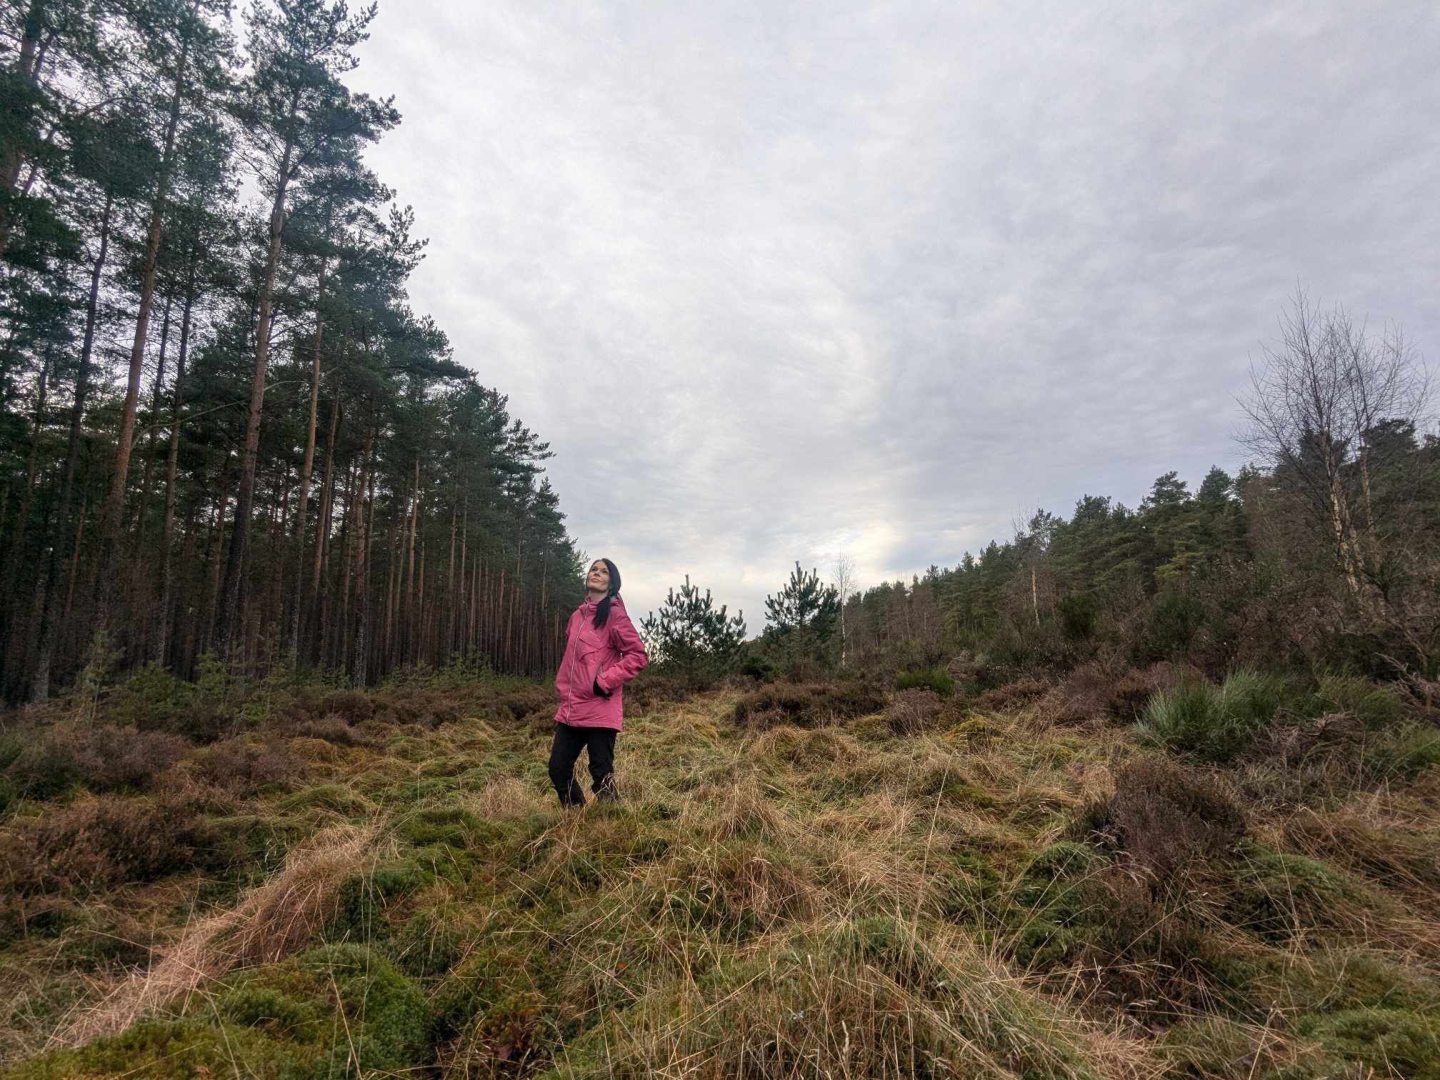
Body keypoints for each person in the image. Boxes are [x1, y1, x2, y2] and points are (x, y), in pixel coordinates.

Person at [549, 557, 648, 806]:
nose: (596, 573)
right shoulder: (576, 617)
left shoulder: (615, 616)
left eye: (604, 572)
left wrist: (603, 681)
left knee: (601, 774)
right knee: (558, 768)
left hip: (601, 706)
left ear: (612, 583)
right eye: (594, 569)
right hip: (572, 706)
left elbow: (638, 655)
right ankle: (576, 817)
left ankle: (612, 824)